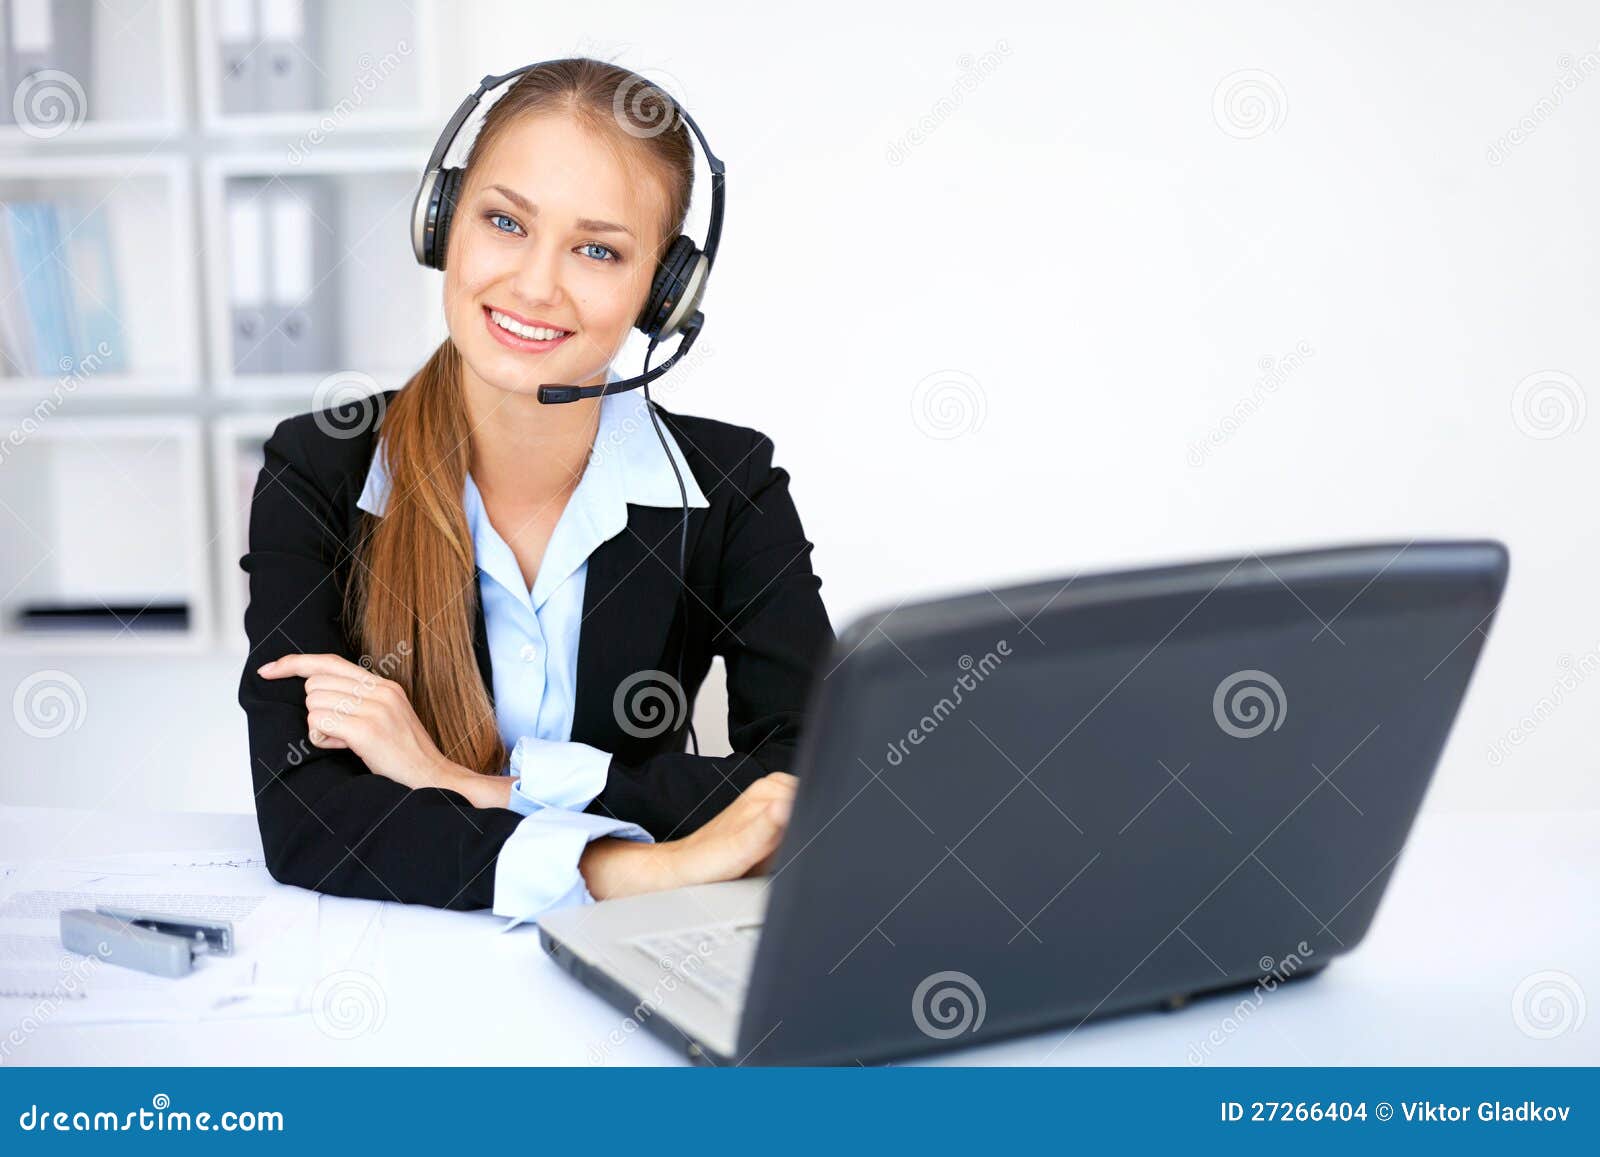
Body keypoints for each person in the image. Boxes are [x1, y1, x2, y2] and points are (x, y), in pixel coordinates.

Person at [236, 58, 833, 922]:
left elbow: (811, 782)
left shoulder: (730, 489)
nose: (535, 284)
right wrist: (626, 868)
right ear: (441, 223)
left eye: (598, 249)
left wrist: (464, 782)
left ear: (664, 294)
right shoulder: (320, 471)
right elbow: (305, 819)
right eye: (505, 221)